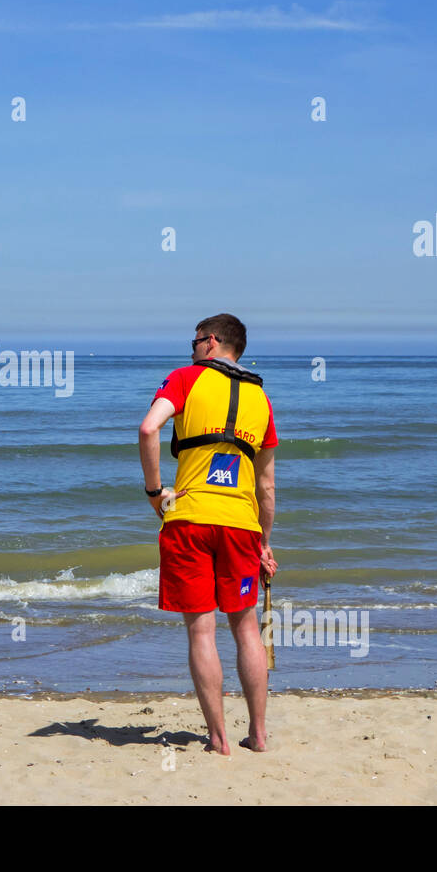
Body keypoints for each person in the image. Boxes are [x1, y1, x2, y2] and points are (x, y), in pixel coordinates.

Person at [138, 314, 278, 755]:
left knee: (201, 632)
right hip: (242, 526)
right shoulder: (261, 398)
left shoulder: (184, 379)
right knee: (247, 629)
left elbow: (147, 429)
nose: (191, 349)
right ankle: (258, 735)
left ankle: (218, 740)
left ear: (211, 342)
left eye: (195, 341)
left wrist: (155, 491)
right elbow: (267, 487)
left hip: (191, 520)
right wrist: (265, 542)